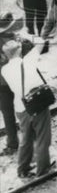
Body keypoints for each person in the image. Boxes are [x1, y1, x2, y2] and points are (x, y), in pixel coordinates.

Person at [1, 36, 54, 178]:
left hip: (20, 106)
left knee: (26, 138)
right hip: (36, 103)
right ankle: (43, 169)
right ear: (19, 50)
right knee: (43, 137)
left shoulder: (4, 69)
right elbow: (41, 41)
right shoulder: (28, 61)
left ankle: (22, 168)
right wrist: (26, 35)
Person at [0, 14, 21, 155]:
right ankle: (33, 137)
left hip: (3, 83)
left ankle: (13, 144)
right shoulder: (18, 38)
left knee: (8, 114)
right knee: (26, 110)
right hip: (19, 80)